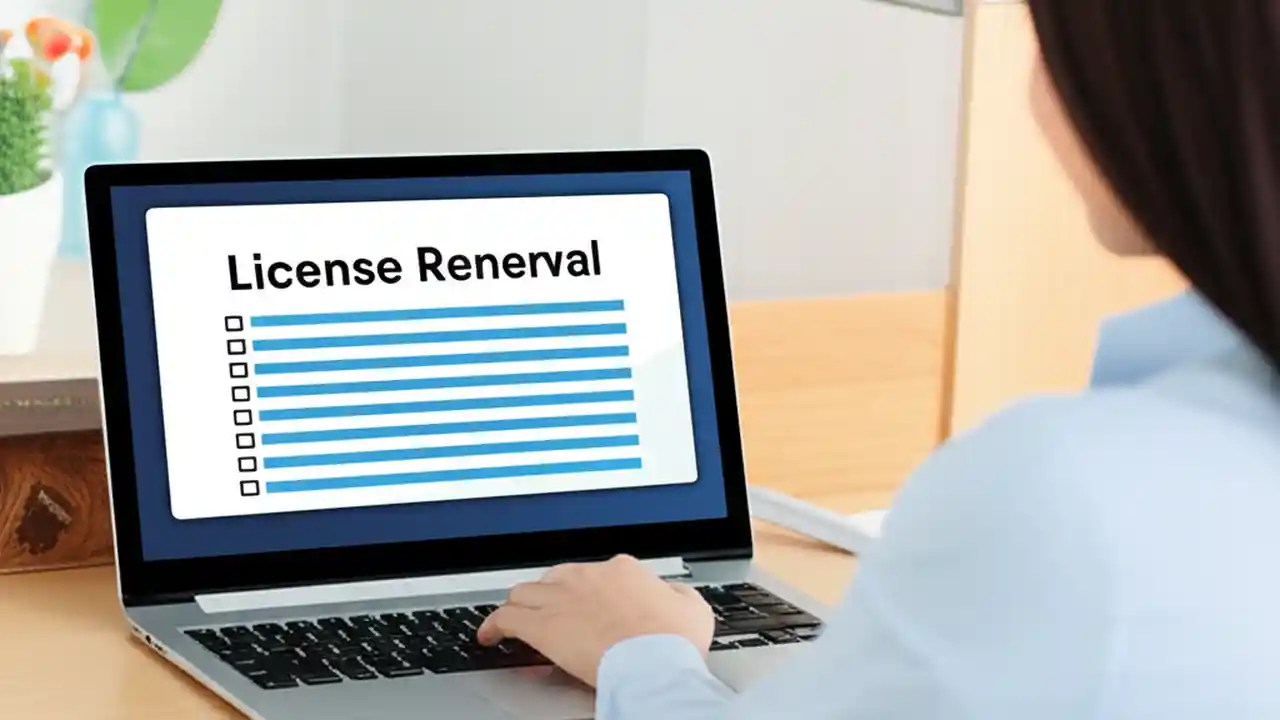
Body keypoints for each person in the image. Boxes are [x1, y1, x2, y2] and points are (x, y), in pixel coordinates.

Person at [476, 1, 1280, 716]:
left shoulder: (1068, 488)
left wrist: (641, 651)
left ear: (1143, 84)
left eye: (1046, 40)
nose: (1038, 94)